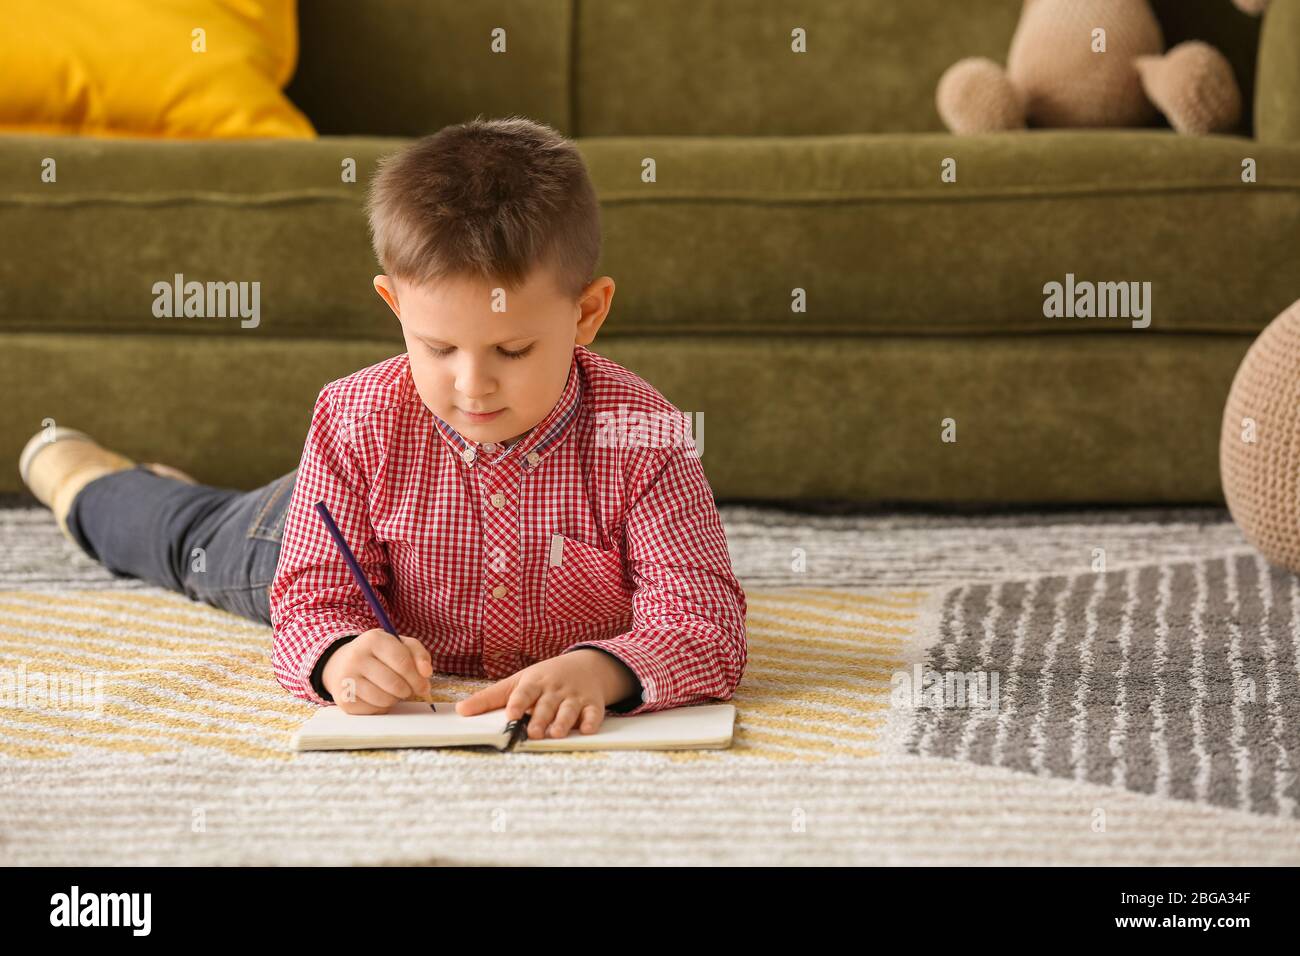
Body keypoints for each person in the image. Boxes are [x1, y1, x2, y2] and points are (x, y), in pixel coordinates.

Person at [18, 116, 747, 741]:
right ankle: (82, 475)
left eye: (512, 350)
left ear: (587, 313)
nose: (472, 385)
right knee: (196, 544)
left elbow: (707, 618)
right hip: (313, 522)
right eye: (438, 348)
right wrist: (339, 656)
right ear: (394, 306)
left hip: (382, 510)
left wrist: (606, 668)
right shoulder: (352, 420)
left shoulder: (643, 432)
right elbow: (310, 603)